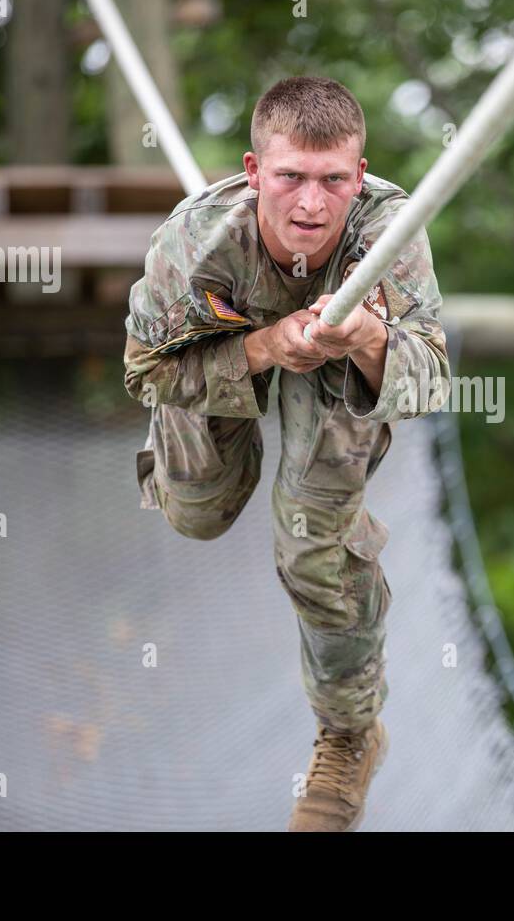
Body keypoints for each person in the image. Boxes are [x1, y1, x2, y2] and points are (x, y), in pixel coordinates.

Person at [121, 76, 450, 831]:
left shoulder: (388, 237)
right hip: (221, 354)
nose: (311, 205)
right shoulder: (192, 243)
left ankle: (348, 735)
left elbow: (431, 381)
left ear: (359, 176)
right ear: (252, 171)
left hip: (342, 362)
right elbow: (144, 371)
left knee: (315, 546)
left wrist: (368, 338)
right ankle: (200, 455)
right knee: (196, 514)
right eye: (290, 178)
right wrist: (263, 347)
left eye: (335, 180)